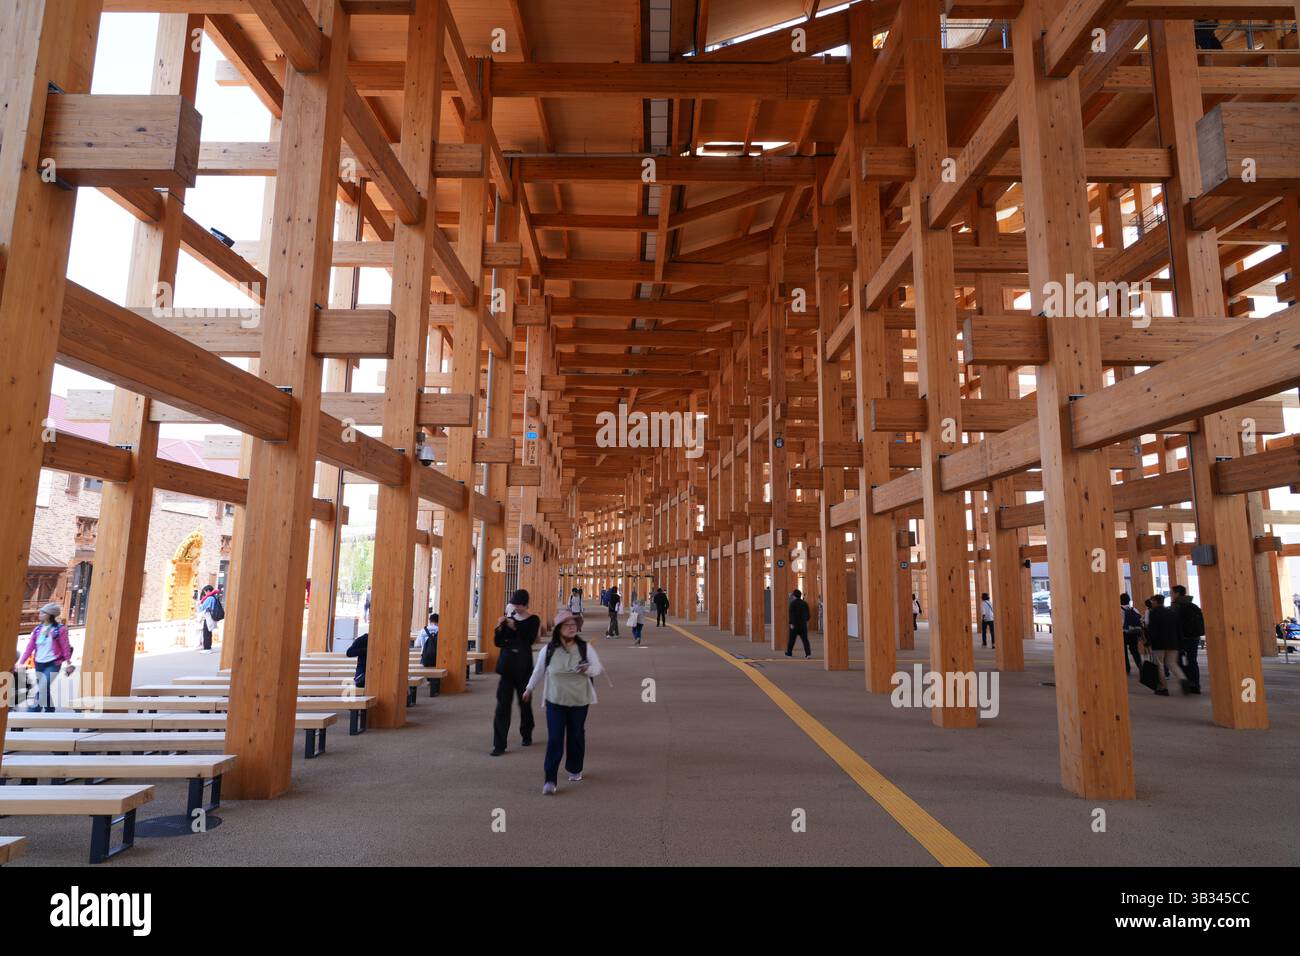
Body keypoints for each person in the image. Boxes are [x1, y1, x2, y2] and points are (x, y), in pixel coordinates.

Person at [523, 609, 604, 795]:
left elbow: (597, 668)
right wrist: (529, 688)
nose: (571, 628)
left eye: (574, 625)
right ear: (559, 629)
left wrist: (587, 670)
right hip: (555, 699)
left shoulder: (585, 648)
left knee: (576, 734)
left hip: (579, 699)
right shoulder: (549, 649)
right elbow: (539, 671)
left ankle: (575, 768)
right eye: (567, 625)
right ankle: (550, 779)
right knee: (555, 738)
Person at [492, 589, 541, 756]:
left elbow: (529, 640)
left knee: (524, 703)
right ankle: (499, 745)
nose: (517, 608)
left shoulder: (533, 620)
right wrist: (499, 627)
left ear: (526, 604)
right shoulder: (508, 620)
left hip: (524, 668)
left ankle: (526, 733)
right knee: (502, 706)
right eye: (515, 605)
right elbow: (498, 642)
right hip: (507, 669)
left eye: (520, 605)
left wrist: (515, 628)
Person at [17, 603, 74, 712]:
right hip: (39, 663)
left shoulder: (60, 630)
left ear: (50, 615)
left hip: (53, 663)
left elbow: (65, 646)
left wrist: (68, 663)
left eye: (43, 612)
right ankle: (50, 709)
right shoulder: (38, 629)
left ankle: (34, 710)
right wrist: (22, 661)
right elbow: (30, 646)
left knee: (43, 686)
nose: (40, 614)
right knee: (44, 688)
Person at [1143, 594, 1188, 696]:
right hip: (1173, 643)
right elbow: (1179, 629)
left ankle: (1163, 688)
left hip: (1159, 644)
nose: (1151, 603)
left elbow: (1152, 629)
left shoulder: (1154, 613)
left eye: (1152, 601)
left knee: (1160, 665)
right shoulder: (1172, 612)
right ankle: (1183, 679)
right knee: (1172, 664)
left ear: (1156, 602)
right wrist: (1180, 643)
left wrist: (1149, 641)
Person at [1170, 585, 1203, 694]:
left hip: (1182, 638)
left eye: (1172, 593)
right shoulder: (1193, 605)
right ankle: (1195, 685)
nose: (1171, 595)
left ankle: (1186, 682)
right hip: (1194, 637)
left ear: (1177, 594)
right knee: (1192, 661)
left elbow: (1174, 624)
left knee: (1178, 662)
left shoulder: (1176, 606)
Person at [1120, 593, 1144, 675]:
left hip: (1123, 633)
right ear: (1129, 600)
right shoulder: (1134, 609)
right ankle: (1140, 667)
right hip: (1133, 633)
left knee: (1124, 652)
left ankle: (1127, 669)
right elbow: (1140, 620)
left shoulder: (1118, 610)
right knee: (1134, 650)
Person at [786, 589, 812, 658]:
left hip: (794, 625)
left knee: (791, 640)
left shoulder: (792, 604)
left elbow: (791, 615)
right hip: (803, 625)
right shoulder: (805, 603)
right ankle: (808, 654)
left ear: (794, 596)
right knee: (805, 640)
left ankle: (789, 653)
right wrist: (805, 621)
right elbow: (808, 615)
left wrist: (791, 623)